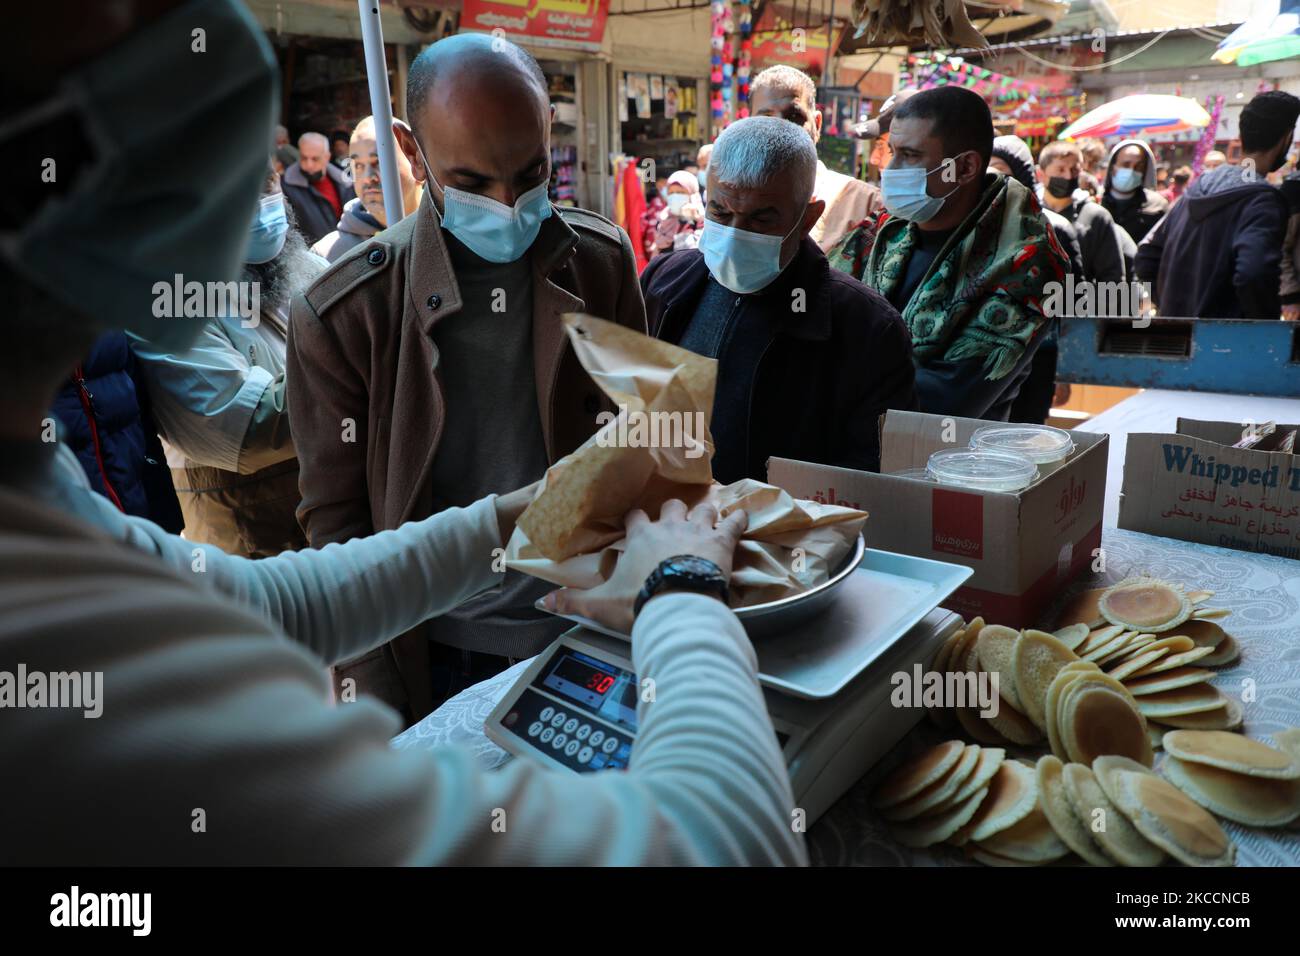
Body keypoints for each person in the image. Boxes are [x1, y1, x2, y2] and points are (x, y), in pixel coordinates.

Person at [1, 0, 803, 868]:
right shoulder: (72, 662)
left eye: (530, 173)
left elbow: (276, 603)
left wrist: (542, 515)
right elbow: (724, 842)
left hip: (580, 623)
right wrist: (682, 591)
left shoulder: (49, 516)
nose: (509, 204)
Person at [287, 33, 649, 725]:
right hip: (438, 650)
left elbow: (644, 446)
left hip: (595, 631)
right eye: (475, 183)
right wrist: (371, 687)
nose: (511, 204)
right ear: (413, 152)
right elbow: (335, 523)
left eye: (532, 172)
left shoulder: (599, 264)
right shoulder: (346, 313)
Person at [642, 116, 916, 481]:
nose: (734, 234)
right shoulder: (665, 282)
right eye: (720, 212)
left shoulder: (867, 330)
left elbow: (871, 480)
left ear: (808, 217)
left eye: (760, 220)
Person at [830, 86, 1068, 421]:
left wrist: (824, 379)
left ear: (966, 167)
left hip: (953, 461)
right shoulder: (882, 230)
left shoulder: (1028, 264)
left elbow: (940, 402)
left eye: (910, 155)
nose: (891, 169)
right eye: (892, 152)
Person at [129, 168, 326, 557]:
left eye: (264, 184)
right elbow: (245, 427)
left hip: (328, 517)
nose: (257, 206)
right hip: (252, 540)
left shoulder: (307, 267)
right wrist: (361, 368)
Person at [1136, 90, 1300, 321]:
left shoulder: (1197, 188)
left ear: (1241, 136)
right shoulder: (1263, 201)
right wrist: (1264, 331)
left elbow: (1146, 255)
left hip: (1177, 341)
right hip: (1231, 349)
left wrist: (1174, 310)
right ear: (1286, 138)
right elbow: (1253, 274)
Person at [988, 136, 1081, 427]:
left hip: (1036, 366)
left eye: (1000, 169)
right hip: (980, 371)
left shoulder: (1055, 229)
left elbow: (1072, 307)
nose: (991, 178)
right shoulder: (968, 230)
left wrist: (1063, 373)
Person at [51, 332, 184, 532]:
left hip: (138, 518)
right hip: (64, 535)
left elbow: (139, 413)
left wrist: (165, 514)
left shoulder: (104, 310)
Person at [750, 65, 883, 253]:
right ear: (747, 126)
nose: (780, 129)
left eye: (794, 117)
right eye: (767, 118)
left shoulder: (867, 205)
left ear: (817, 124)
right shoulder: (732, 199)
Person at [312, 116, 424, 263]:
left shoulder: (452, 234)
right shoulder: (327, 257)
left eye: (380, 162)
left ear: (416, 162)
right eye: (357, 165)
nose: (367, 177)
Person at [1036, 140, 1126, 282]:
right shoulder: (1030, 213)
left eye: (1074, 170)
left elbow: (1111, 278)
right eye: (1061, 169)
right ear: (1041, 174)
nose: (1068, 176)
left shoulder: (1096, 217)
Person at [282, 131, 356, 246]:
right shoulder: (285, 187)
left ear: (327, 157)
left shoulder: (344, 182)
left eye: (315, 159)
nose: (309, 164)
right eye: (304, 158)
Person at [1102, 138, 1169, 245]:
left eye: (1138, 166)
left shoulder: (1158, 205)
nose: (1131, 170)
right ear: (1112, 167)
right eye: (1126, 165)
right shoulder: (1096, 202)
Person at [649, 170, 704, 258]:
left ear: (692, 194)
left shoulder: (702, 221)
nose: (675, 196)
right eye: (671, 193)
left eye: (680, 192)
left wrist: (691, 219)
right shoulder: (664, 219)